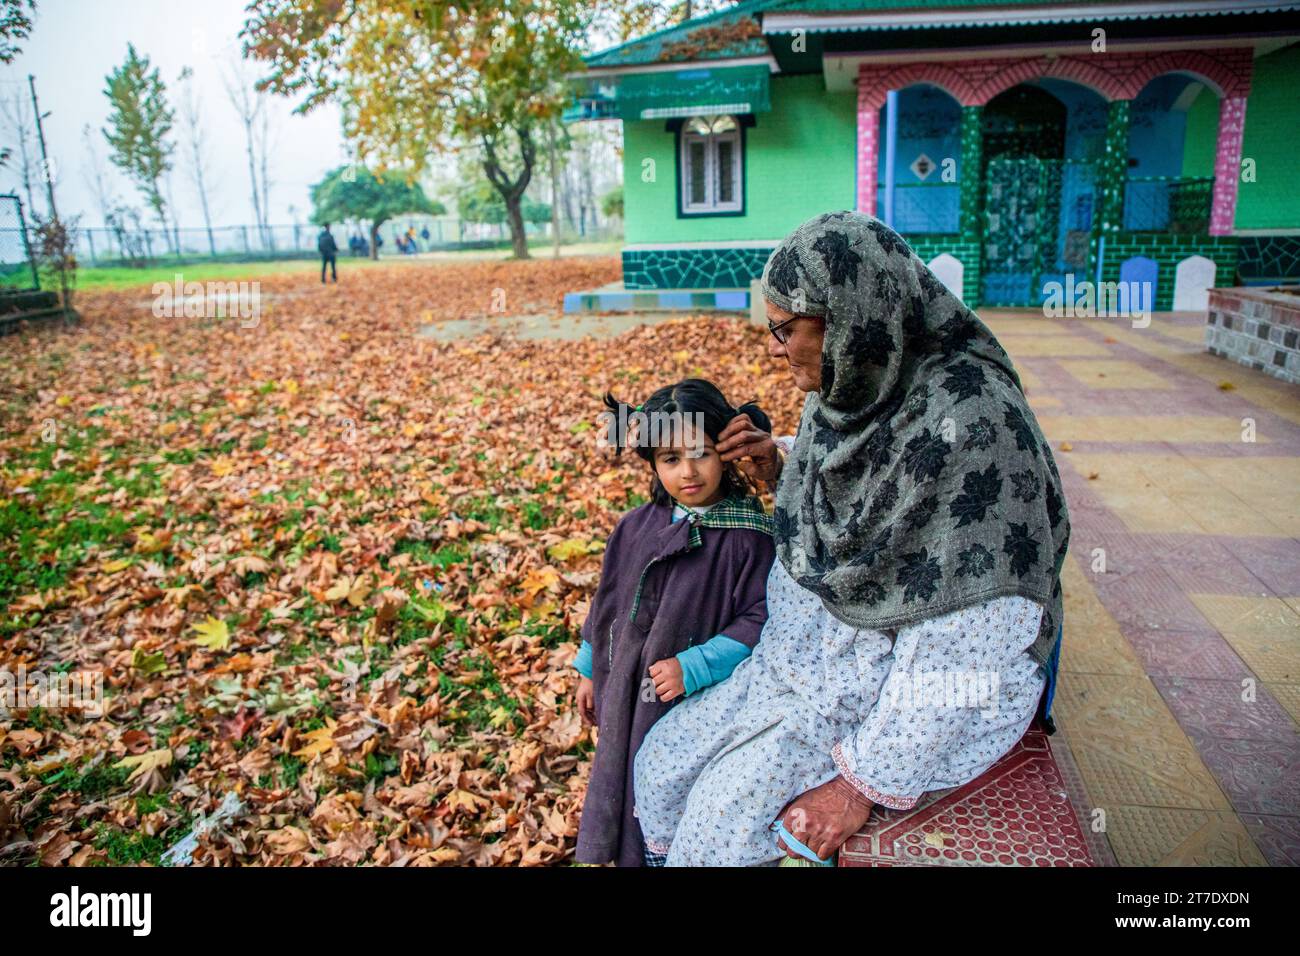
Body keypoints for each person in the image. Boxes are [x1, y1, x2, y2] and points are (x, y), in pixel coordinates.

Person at [633, 211, 1070, 866]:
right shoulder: (856, 373)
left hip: (903, 680)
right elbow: (866, 479)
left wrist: (861, 783)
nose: (774, 350)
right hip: (803, 659)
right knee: (662, 765)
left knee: (722, 821)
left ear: (850, 315)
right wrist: (780, 463)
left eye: (785, 330)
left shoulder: (975, 422)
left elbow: (973, 638)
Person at [573, 379, 777, 867]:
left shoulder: (747, 539)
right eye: (670, 459)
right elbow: (608, 600)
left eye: (700, 454)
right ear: (652, 463)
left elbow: (762, 618)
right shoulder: (636, 527)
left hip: (696, 703)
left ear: (726, 451)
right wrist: (587, 668)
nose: (688, 472)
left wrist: (697, 664)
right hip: (627, 688)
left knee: (677, 792)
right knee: (625, 771)